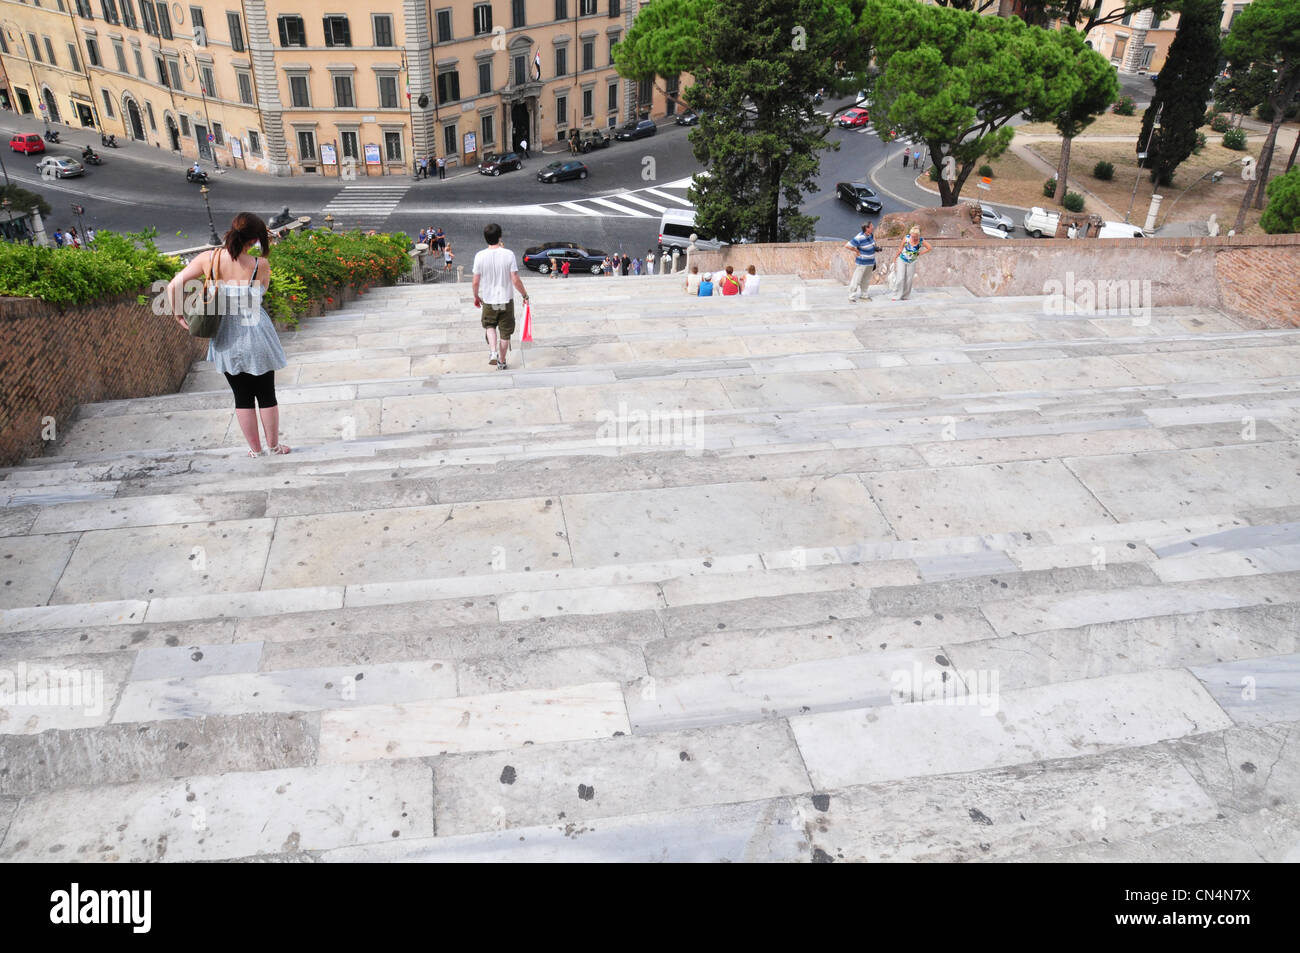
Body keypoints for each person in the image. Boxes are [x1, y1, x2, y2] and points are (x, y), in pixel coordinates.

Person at [166, 212, 289, 457]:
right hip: (258, 335)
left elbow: (173, 285)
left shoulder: (207, 259)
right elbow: (260, 293)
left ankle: (255, 451)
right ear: (254, 240)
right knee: (266, 393)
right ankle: (274, 446)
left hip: (225, 338)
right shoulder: (260, 265)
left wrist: (179, 314)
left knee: (242, 397)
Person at [472, 223, 530, 371]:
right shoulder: (508, 254)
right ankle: (502, 361)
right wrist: (524, 295)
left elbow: (475, 282)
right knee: (505, 333)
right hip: (505, 300)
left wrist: (476, 297)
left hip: (489, 300)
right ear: (500, 237)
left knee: (489, 325)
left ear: (485, 238)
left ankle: (493, 352)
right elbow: (515, 279)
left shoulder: (479, 256)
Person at [892, 225, 931, 301]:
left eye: (914, 236)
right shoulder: (906, 238)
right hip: (902, 260)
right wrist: (895, 257)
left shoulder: (921, 240)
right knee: (900, 278)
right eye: (912, 236)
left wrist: (920, 253)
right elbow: (900, 248)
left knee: (909, 279)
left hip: (912, 261)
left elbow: (929, 247)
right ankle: (896, 295)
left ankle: (905, 296)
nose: (913, 238)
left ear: (918, 236)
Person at [845, 221, 877, 303]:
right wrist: (857, 251)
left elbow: (872, 244)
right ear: (867, 228)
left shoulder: (871, 235)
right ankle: (851, 296)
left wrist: (875, 248)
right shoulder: (859, 237)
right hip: (862, 262)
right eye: (871, 226)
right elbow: (847, 245)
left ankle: (864, 294)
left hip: (870, 262)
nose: (873, 227)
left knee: (866, 279)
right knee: (857, 279)